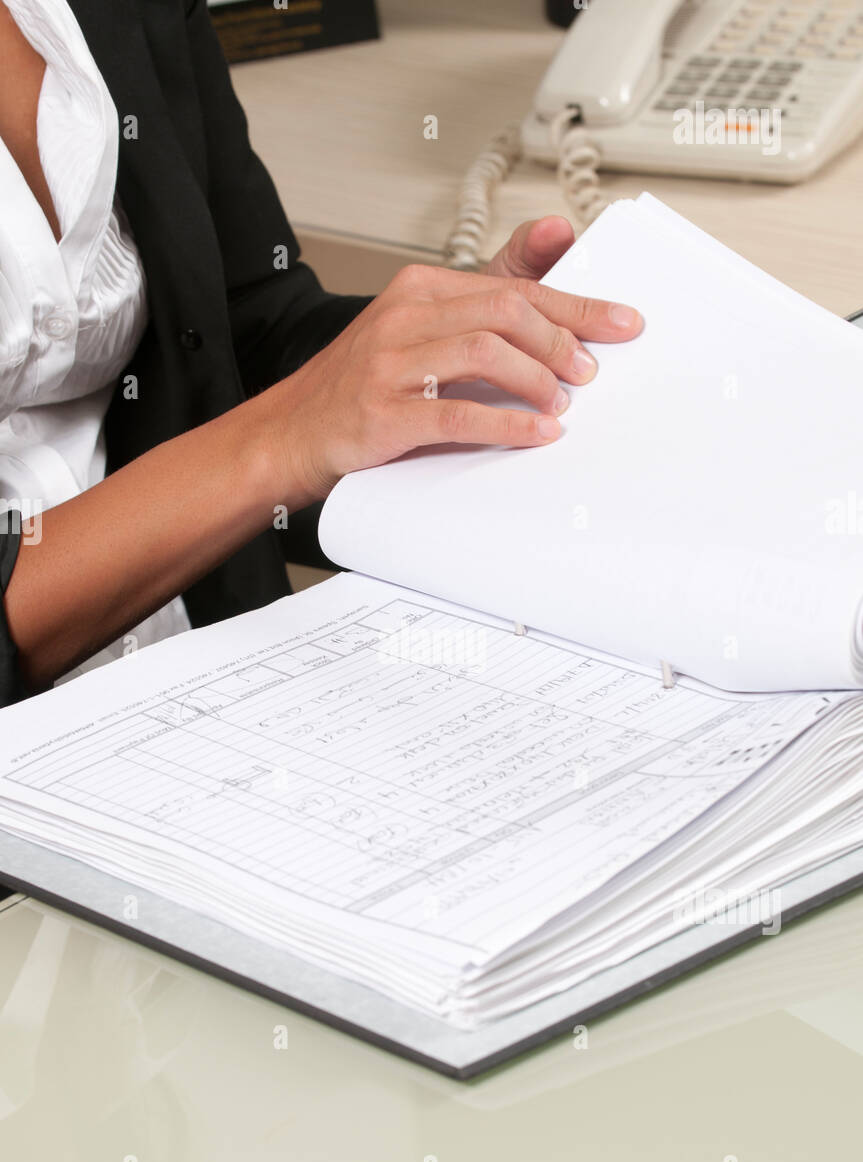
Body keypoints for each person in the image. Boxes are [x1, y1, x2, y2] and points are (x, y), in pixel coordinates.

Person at [0, 0, 643, 710]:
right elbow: (281, 425)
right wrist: (284, 440)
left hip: (213, 675)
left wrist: (448, 357)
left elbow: (237, 332)